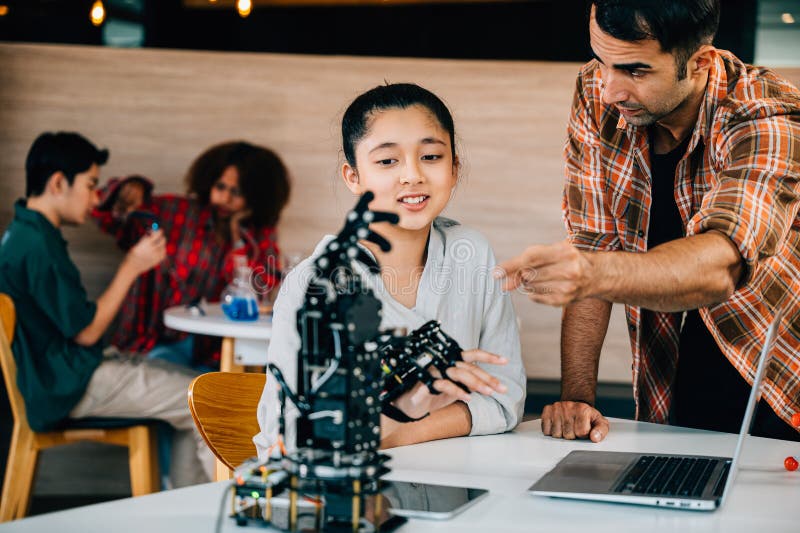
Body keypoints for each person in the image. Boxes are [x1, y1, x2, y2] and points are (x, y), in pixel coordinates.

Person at [497, 0, 800, 443]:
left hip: (781, 381)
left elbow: (720, 267)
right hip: (680, 374)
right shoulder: (596, 93)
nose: (609, 89)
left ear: (698, 62)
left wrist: (591, 274)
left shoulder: (767, 118)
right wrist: (578, 400)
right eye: (603, 62)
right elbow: (593, 241)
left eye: (635, 71)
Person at [253, 83, 526, 456]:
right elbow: (292, 437)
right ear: (354, 177)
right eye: (387, 161)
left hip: (462, 481)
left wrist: (394, 434)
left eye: (431, 156)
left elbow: (504, 400)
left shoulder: (473, 253)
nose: (412, 175)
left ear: (454, 168)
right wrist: (407, 410)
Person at [0, 132, 213, 487]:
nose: (95, 198)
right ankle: (218, 513)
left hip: (64, 374)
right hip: (66, 383)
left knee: (195, 386)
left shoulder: (24, 233)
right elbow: (87, 331)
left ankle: (191, 509)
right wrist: (132, 265)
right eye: (91, 185)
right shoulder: (35, 244)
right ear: (57, 183)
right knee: (205, 401)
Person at [91, 141, 290, 369]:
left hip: (213, 353)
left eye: (237, 193)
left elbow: (257, 292)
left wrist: (237, 237)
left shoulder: (259, 236)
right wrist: (132, 188)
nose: (225, 198)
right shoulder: (177, 213)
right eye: (220, 187)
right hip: (153, 343)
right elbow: (102, 211)